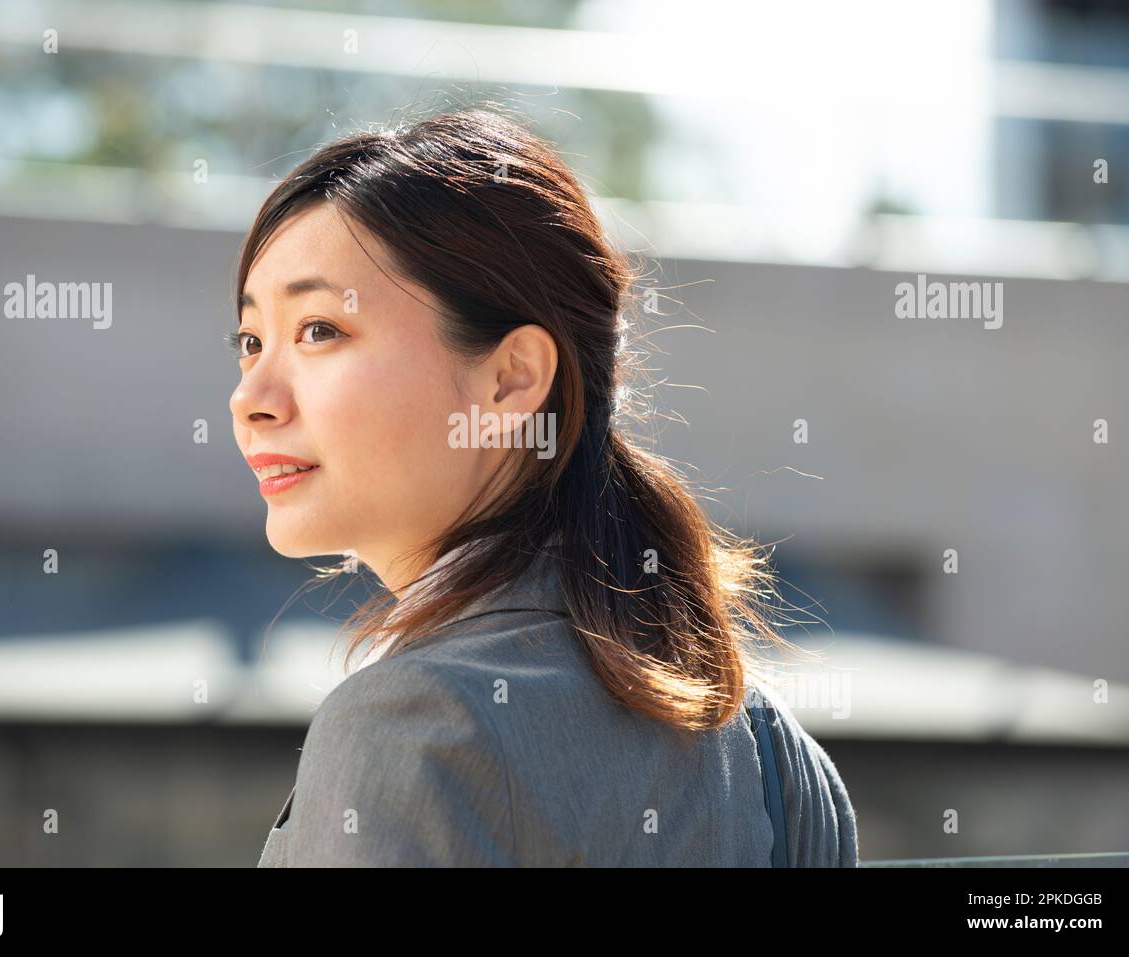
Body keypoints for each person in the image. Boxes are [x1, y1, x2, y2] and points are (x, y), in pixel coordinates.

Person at [229, 106, 857, 866]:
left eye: (318, 330)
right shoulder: (776, 756)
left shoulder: (411, 726)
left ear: (512, 379)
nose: (251, 396)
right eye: (251, 341)